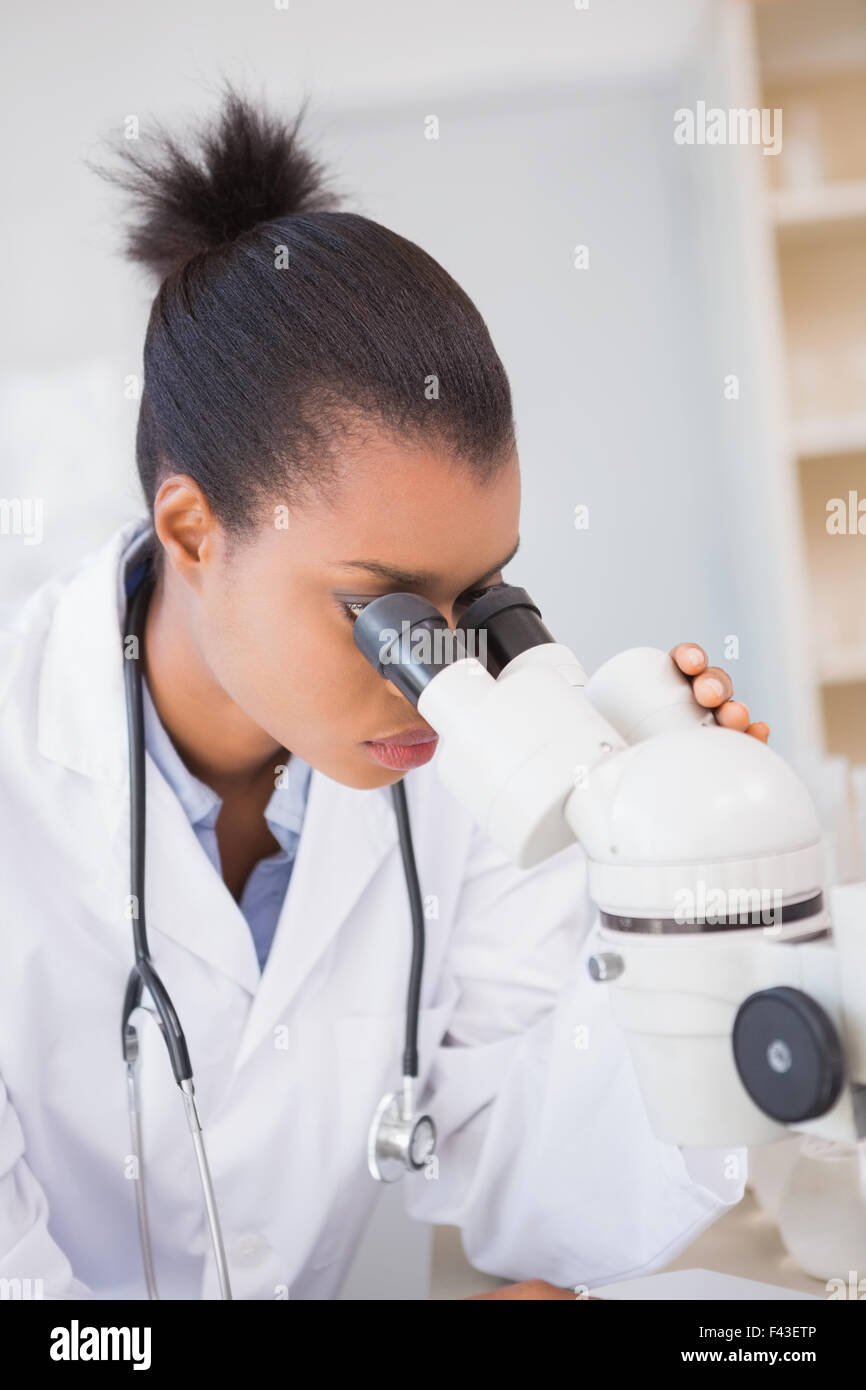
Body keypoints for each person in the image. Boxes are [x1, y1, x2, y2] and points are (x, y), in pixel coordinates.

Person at [0, 86, 769, 1301]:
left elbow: (532, 1174)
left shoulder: (454, 770)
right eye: (387, 613)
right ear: (194, 531)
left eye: (483, 596)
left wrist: (679, 915)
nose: (446, 672)